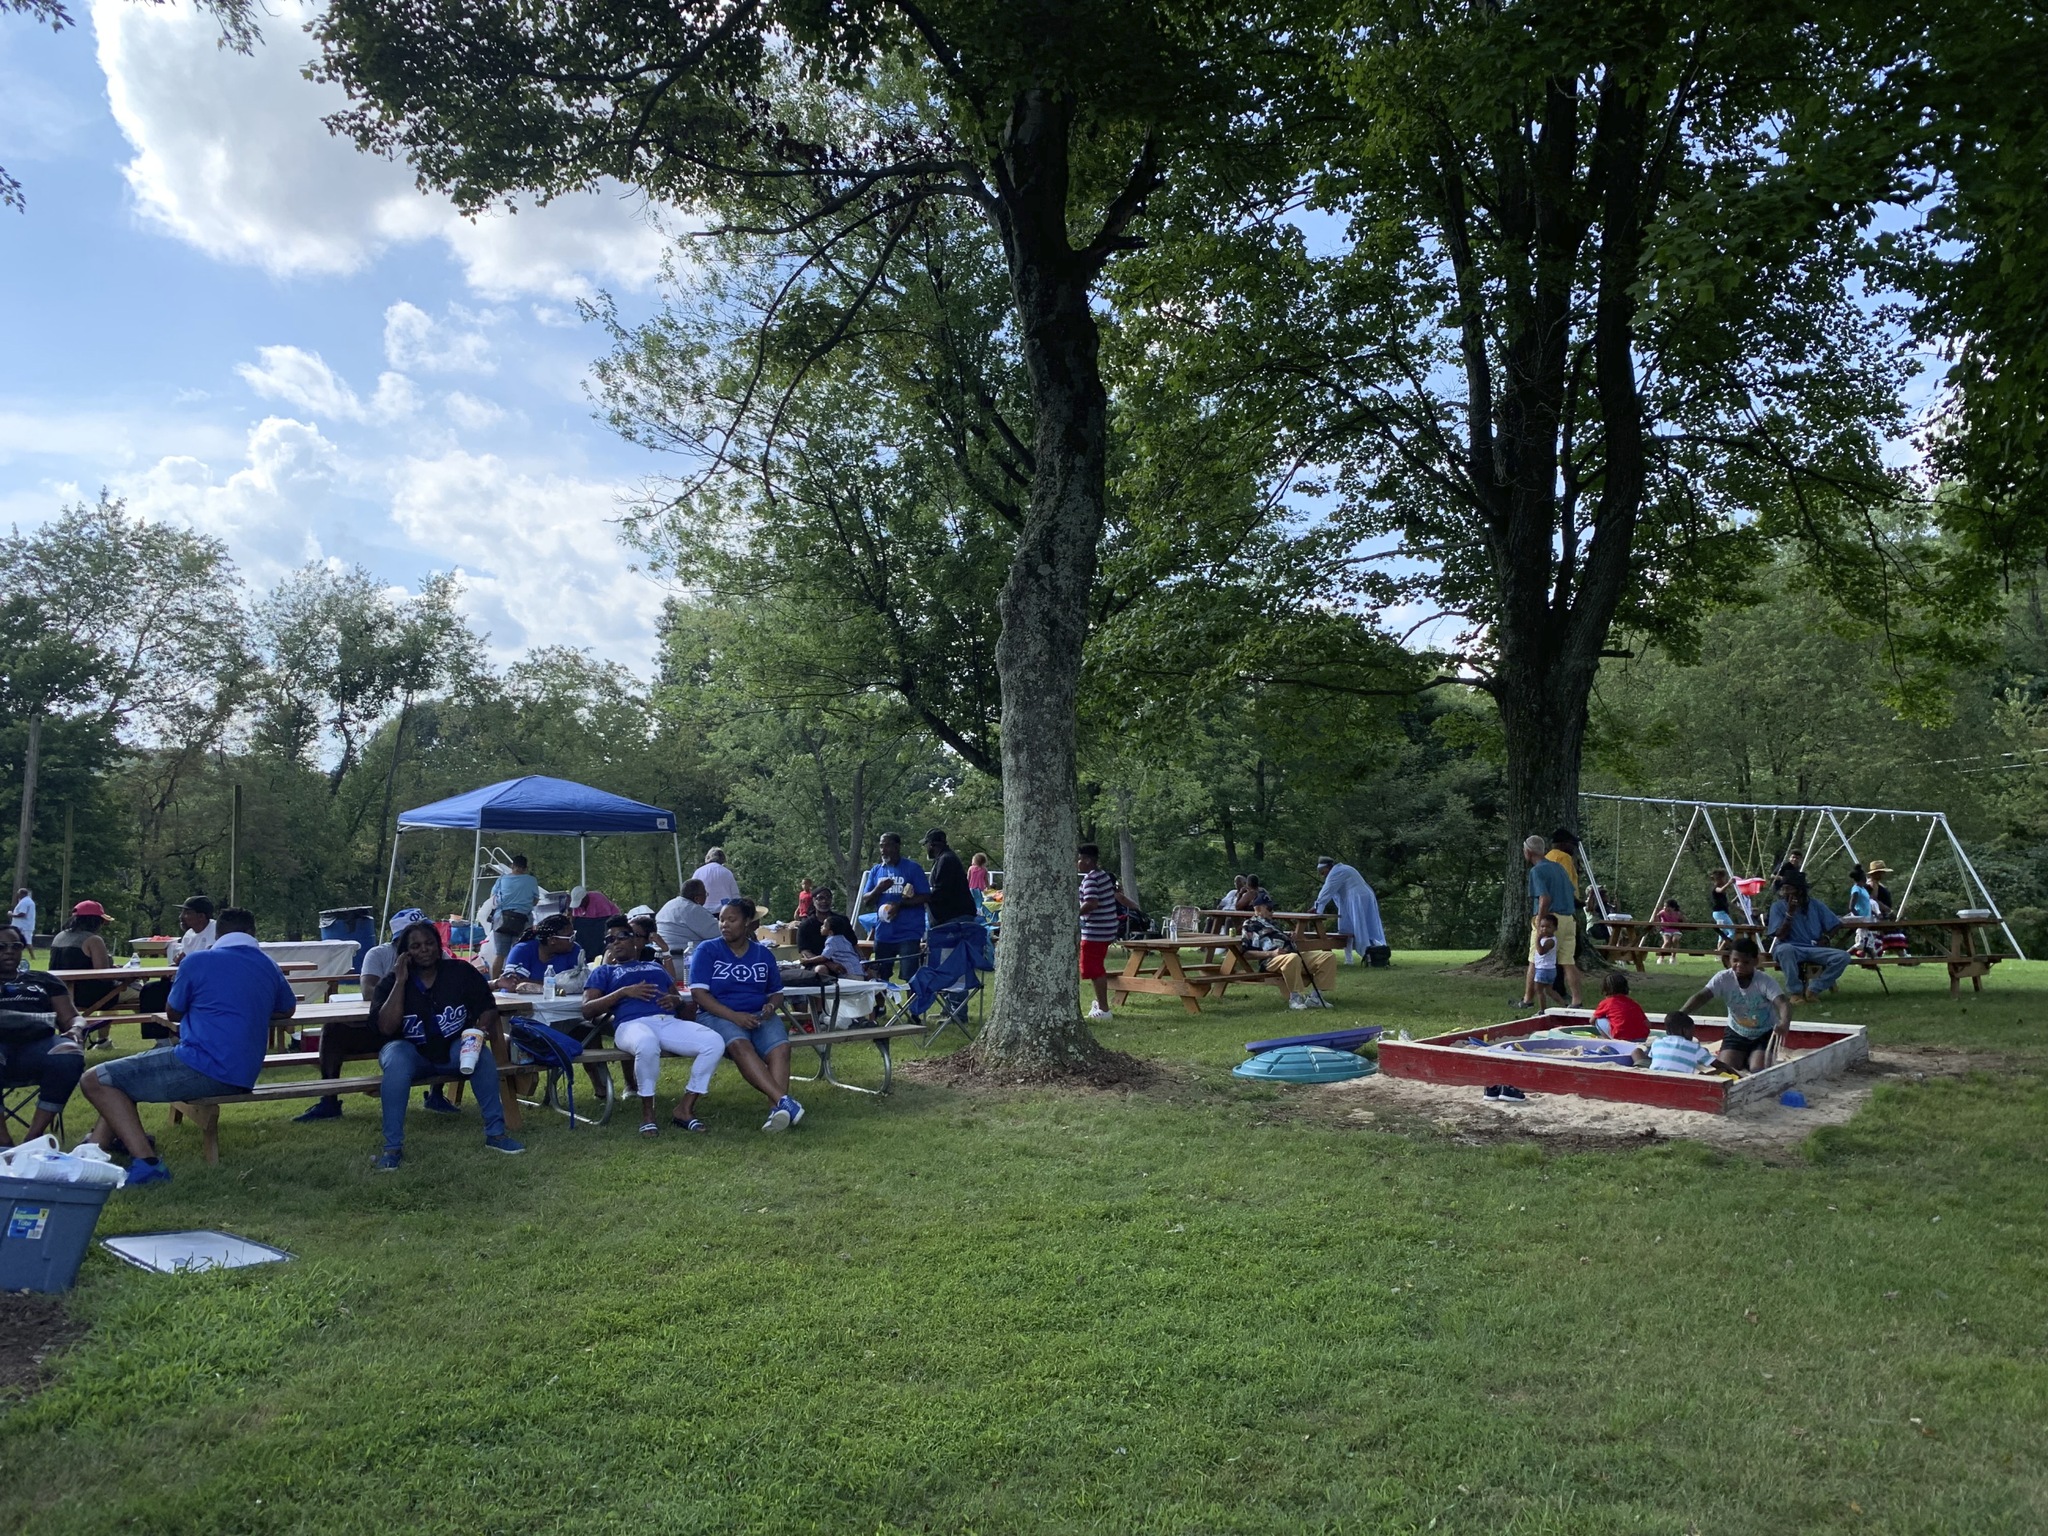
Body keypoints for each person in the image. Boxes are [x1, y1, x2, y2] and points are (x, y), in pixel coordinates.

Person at [81, 908, 297, 1186]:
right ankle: (94, 1155)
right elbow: (288, 1008)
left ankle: (149, 1165)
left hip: (202, 1064)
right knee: (122, 1079)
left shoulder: (198, 961)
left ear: (217, 934)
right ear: (253, 933)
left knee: (94, 1080)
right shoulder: (268, 965)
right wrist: (248, 1010)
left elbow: (172, 1012)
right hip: (243, 1072)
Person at [369, 920, 524, 1169]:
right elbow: (385, 1027)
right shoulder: (391, 983)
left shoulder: (459, 972)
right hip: (409, 1052)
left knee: (480, 1054)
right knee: (396, 1060)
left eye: (430, 943)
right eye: (416, 946)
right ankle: (392, 1148)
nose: (424, 949)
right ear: (405, 952)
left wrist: (479, 1029)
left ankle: (496, 1134)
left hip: (452, 1047)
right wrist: (400, 981)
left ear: (438, 945)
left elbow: (487, 1007)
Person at [585, 925, 723, 1136]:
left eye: (622, 936)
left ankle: (684, 1109)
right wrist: (623, 993)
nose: (615, 942)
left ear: (636, 941)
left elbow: (681, 1008)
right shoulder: (604, 971)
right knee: (646, 1043)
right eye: (610, 939)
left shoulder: (656, 968)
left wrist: (675, 1002)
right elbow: (587, 1010)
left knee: (713, 1042)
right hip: (630, 1025)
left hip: (666, 1022)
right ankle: (648, 1115)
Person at [292, 907, 426, 1123]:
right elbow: (368, 990)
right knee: (334, 1029)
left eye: (427, 936)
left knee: (452, 1025)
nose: (423, 944)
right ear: (401, 939)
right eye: (415, 938)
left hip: (421, 1027)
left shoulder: (437, 954)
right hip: (383, 1026)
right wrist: (400, 992)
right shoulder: (379, 954)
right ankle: (329, 1100)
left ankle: (437, 1095)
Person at [688, 898, 802, 1132]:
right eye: (721, 919)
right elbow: (699, 994)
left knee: (781, 1049)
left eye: (732, 919)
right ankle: (785, 1101)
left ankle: (776, 1112)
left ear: (748, 923)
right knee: (741, 1046)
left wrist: (771, 1006)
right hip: (717, 1014)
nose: (724, 925)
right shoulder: (707, 950)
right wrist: (734, 1017)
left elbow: (776, 993)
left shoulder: (763, 954)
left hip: (759, 1014)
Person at [0, 923, 85, 1146]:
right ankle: (3, 1142)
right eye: (1, 946)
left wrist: (76, 1029)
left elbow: (72, 1017)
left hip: (39, 1045)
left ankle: (33, 1139)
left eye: (15, 946)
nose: (9, 951)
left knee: (69, 1053)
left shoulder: (43, 980)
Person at [1680, 938, 1790, 1072]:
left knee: (1758, 1069)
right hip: (1736, 1032)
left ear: (1755, 962)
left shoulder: (1764, 981)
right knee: (1726, 1069)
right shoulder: (1723, 978)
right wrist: (1682, 1014)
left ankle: (1753, 1057)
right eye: (1735, 961)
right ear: (1729, 960)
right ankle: (1744, 1056)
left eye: (1746, 962)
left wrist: (1784, 1022)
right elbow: (1702, 996)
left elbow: (1782, 1002)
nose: (1740, 965)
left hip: (1764, 1034)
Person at [858, 833, 931, 981]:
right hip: (884, 933)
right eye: (881, 846)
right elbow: (866, 900)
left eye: (887, 845)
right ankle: (881, 1005)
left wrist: (900, 905)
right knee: (880, 975)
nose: (883, 850)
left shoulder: (912, 868)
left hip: (908, 932)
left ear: (897, 847)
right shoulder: (876, 870)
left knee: (910, 976)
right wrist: (878, 888)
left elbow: (926, 896)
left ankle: (912, 1005)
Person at [1244, 896, 1338, 1010]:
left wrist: (1289, 938)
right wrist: (1271, 954)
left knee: (1328, 957)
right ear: (1258, 909)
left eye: (1273, 908)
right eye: (1269, 908)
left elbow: (1278, 939)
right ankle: (1295, 998)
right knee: (1292, 958)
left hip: (1293, 955)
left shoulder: (1273, 923)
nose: (1272, 911)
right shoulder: (1250, 925)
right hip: (1271, 959)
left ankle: (1316, 998)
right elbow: (1246, 953)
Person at [1522, 833, 1582, 1007]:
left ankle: (1527, 999)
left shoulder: (1537, 870)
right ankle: (1576, 1000)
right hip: (1568, 919)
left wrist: (1540, 922)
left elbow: (1544, 898)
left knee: (1535, 959)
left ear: (1528, 851)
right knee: (1568, 962)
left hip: (1551, 919)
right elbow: (1571, 892)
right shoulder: (1559, 868)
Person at [1768, 873, 1848, 1001]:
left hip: (1813, 947)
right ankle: (1796, 993)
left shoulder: (1816, 905)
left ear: (1799, 890)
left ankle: (1813, 989)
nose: (1784, 892)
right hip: (1789, 946)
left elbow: (1836, 924)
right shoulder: (1778, 907)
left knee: (1843, 956)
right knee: (1785, 950)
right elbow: (1780, 935)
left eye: (1788, 889)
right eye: (1783, 889)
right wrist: (1790, 914)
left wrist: (1826, 938)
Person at [1076, 842, 1124, 1022]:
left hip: (1096, 930)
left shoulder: (1090, 879)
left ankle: (1104, 1010)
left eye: (1079, 859)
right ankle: (1099, 1003)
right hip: (1107, 928)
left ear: (1088, 860)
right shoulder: (1103, 875)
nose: (1078, 862)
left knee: (1093, 969)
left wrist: (1074, 913)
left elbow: (1091, 903)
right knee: (1096, 967)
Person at [1311, 857, 1386, 963]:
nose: (1323, 875)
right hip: (1354, 899)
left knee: (1361, 928)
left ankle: (1369, 956)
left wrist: (1317, 908)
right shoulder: (1344, 869)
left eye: (1323, 872)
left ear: (1328, 867)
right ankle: (1349, 959)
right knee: (1346, 929)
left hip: (1357, 898)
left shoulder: (1337, 872)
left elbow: (1326, 891)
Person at [49, 901, 117, 1014]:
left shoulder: (59, 936)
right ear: (95, 921)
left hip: (59, 994)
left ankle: (102, 1031)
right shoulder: (93, 940)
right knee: (141, 993)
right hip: (87, 995)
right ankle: (151, 1029)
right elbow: (104, 975)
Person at [496, 913, 583, 991]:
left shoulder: (575, 950)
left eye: (573, 935)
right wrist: (560, 985)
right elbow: (512, 985)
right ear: (553, 940)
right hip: (518, 1003)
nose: (573, 940)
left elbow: (580, 983)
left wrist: (530, 983)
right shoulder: (522, 950)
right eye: (570, 937)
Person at [489, 854, 540, 970]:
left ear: (512, 866)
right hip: (523, 920)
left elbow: (492, 898)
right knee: (519, 952)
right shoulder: (531, 880)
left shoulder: (501, 879)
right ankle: (516, 982)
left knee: (499, 954)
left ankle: (493, 983)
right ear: (525, 868)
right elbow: (535, 900)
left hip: (502, 919)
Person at [655, 879, 724, 961]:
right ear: (697, 898)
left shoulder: (668, 906)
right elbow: (721, 933)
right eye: (705, 894)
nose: (706, 897)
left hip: (662, 958)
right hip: (683, 961)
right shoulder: (692, 909)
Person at [1591, 970, 1651, 1044]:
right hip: (1642, 1038)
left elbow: (1592, 1020)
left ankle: (1610, 1042)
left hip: (1621, 1038)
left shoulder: (1606, 1003)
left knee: (1598, 1020)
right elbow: (1648, 1024)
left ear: (1605, 989)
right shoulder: (1633, 1003)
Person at [1648, 1011, 1715, 1075]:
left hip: (1655, 1079)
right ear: (1685, 1030)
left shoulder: (1656, 1043)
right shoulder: (1694, 1048)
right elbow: (1717, 1064)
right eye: (1692, 1030)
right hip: (1681, 1081)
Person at [1522, 911, 1566, 1007]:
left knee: (1539, 991)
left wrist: (1537, 939)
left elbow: (1541, 951)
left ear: (1555, 928)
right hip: (1547, 969)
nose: (1544, 929)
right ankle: (1564, 1004)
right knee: (1549, 991)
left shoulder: (1550, 941)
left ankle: (1542, 1010)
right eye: (1542, 926)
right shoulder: (1546, 938)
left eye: (1548, 927)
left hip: (1544, 969)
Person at [1846, 865, 1881, 956]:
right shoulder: (1856, 889)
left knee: (1870, 942)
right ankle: (1845, 954)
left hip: (1867, 918)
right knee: (1861, 943)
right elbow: (1851, 906)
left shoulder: (1863, 889)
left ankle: (1872, 962)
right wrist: (1858, 917)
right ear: (1862, 878)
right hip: (1861, 919)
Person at [1709, 868, 1740, 939]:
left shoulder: (1722, 894)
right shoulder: (1715, 889)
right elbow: (1720, 890)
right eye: (1723, 879)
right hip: (1720, 913)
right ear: (1719, 879)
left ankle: (1720, 949)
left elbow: (1727, 903)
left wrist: (1739, 910)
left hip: (1720, 913)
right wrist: (1729, 883)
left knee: (1724, 932)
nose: (1724, 881)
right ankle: (1723, 947)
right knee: (1732, 931)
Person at [1655, 897, 1684, 962]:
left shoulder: (1677, 913)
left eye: (1667, 907)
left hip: (1675, 930)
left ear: (1673, 908)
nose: (1665, 908)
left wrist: (1681, 923)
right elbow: (1656, 917)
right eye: (1664, 906)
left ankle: (1673, 957)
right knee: (1667, 942)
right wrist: (1659, 925)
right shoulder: (1662, 913)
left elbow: (1683, 920)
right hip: (1666, 930)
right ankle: (1661, 957)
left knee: (1675, 940)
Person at [8, 889, 34, 957]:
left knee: (28, 941)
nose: (17, 895)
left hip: (24, 926)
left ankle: (33, 957)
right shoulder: (27, 901)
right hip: (22, 925)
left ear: (22, 894)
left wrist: (12, 915)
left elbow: (22, 913)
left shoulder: (25, 902)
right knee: (17, 940)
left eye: (18, 894)